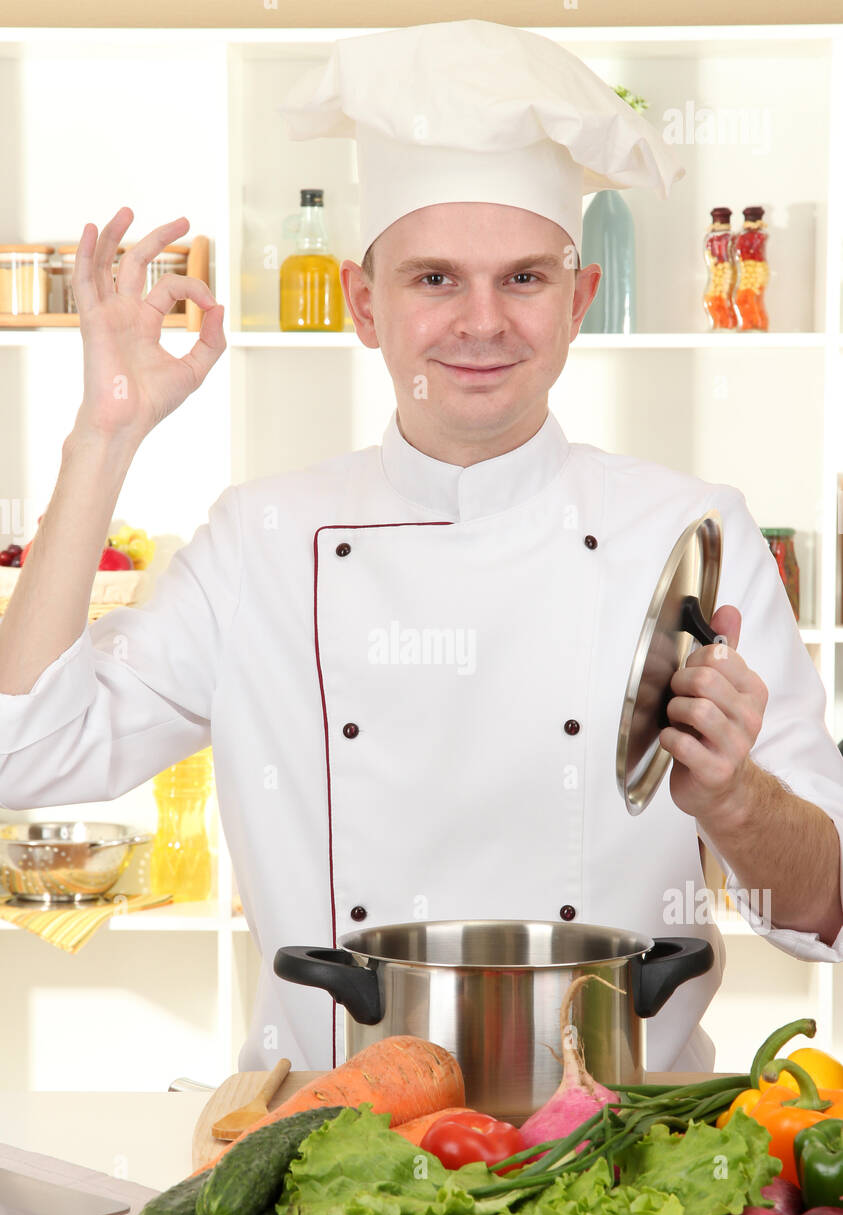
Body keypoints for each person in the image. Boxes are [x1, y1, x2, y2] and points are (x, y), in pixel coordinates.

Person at [0, 21, 841, 1079]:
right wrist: (104, 434)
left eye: (525, 279)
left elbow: (822, 907)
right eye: (435, 278)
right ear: (363, 302)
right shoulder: (261, 541)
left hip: (624, 1164)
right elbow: (22, 751)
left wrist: (736, 799)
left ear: (579, 302)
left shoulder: (687, 539)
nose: (481, 323)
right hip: (335, 1157)